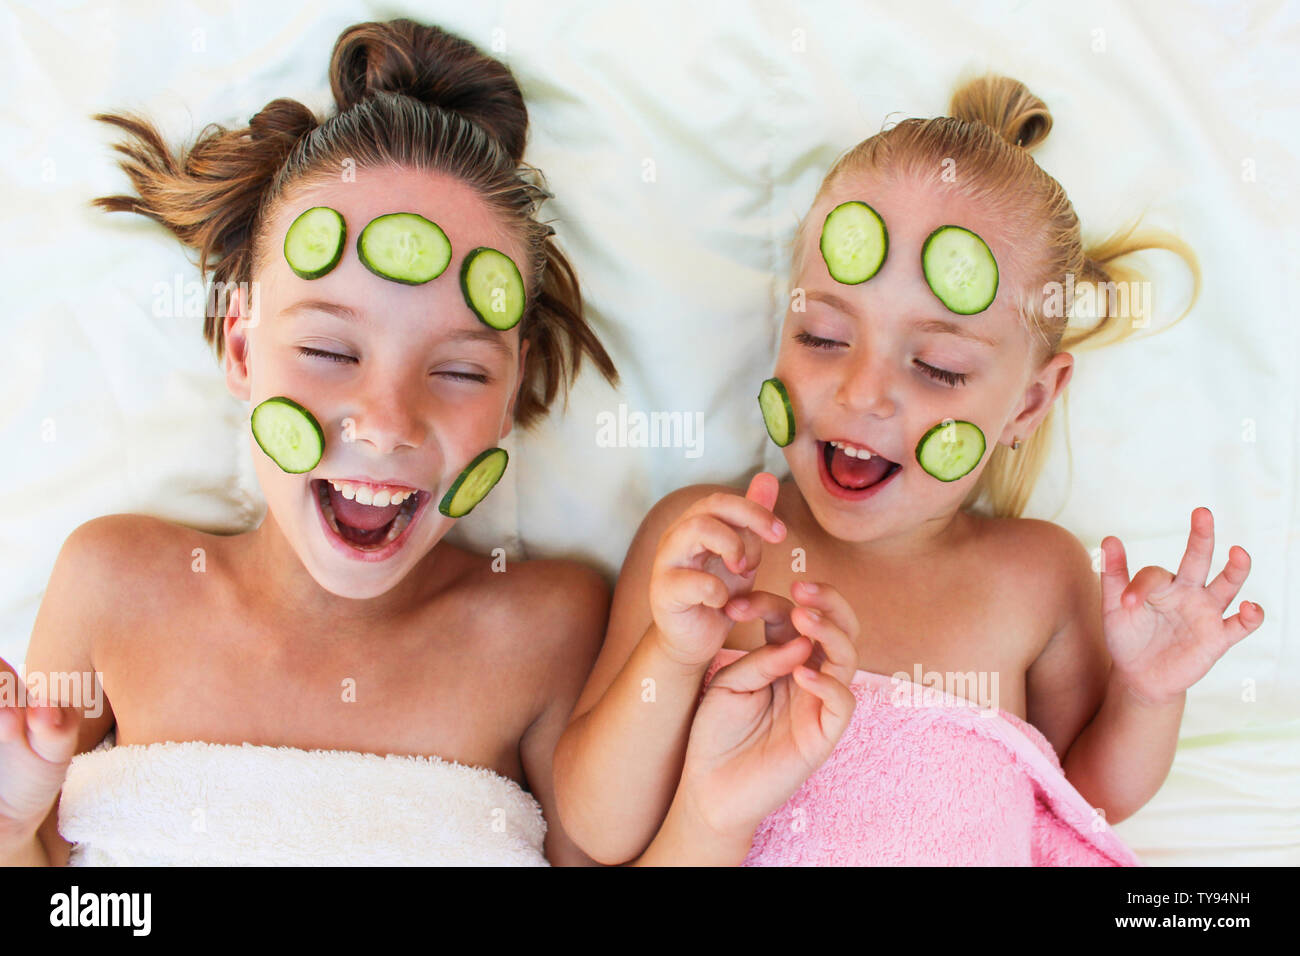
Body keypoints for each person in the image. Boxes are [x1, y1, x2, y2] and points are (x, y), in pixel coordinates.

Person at [553, 75, 1264, 865]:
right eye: (823, 336)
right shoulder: (706, 550)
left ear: (1030, 403)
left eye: (936, 366)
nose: (862, 393)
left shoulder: (1037, 576)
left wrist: (1147, 694)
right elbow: (594, 830)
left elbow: (1083, 800)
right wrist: (675, 653)